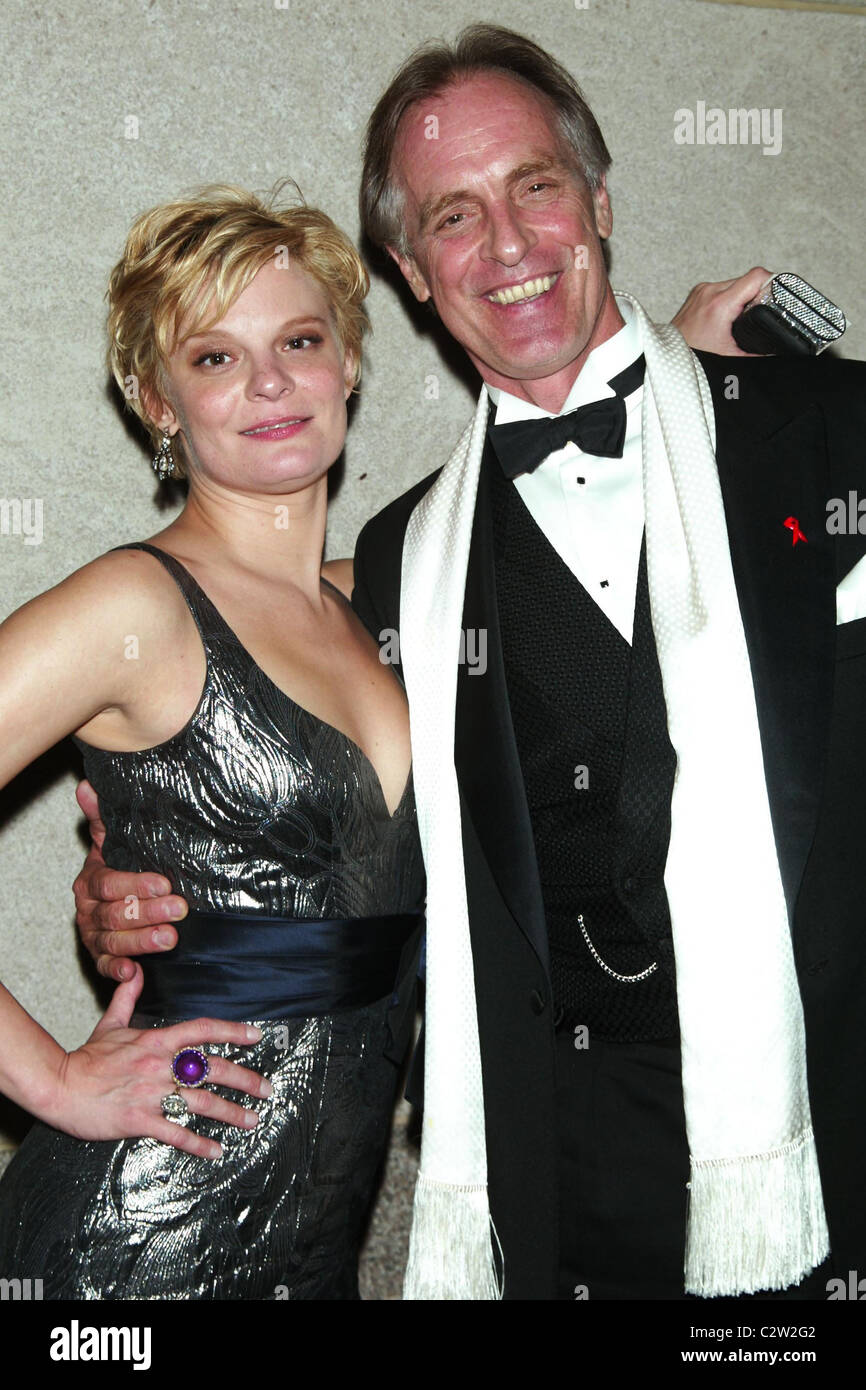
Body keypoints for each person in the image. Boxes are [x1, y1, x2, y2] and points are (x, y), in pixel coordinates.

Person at [68, 31, 823, 1303]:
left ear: (597, 197)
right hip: (520, 1193)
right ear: (414, 274)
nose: (509, 244)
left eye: (534, 186)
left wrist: (723, 385)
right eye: (453, 218)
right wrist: (125, 957)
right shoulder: (400, 552)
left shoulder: (810, 439)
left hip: (814, 1151)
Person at [0, 186, 424, 1299]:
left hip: (324, 1242)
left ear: (348, 364)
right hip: (133, 1244)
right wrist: (48, 1077)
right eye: (215, 357)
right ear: (157, 401)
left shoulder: (388, 604)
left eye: (297, 339)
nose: (271, 382)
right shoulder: (134, 605)